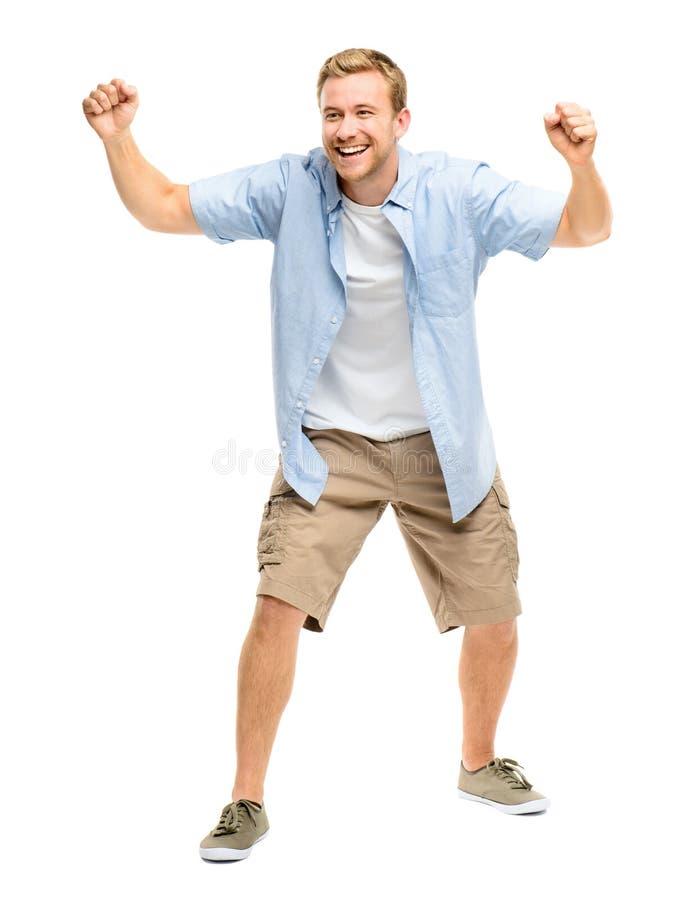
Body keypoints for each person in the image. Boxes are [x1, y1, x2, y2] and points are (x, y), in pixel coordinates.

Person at [82, 48, 612, 861]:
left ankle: (478, 762)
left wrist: (581, 165)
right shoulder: (290, 188)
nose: (346, 129)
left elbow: (588, 228)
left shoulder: (458, 190)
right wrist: (118, 138)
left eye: (364, 112)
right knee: (275, 607)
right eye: (334, 113)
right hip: (329, 445)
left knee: (497, 615)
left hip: (444, 443)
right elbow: (160, 205)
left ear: (400, 121)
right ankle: (245, 800)